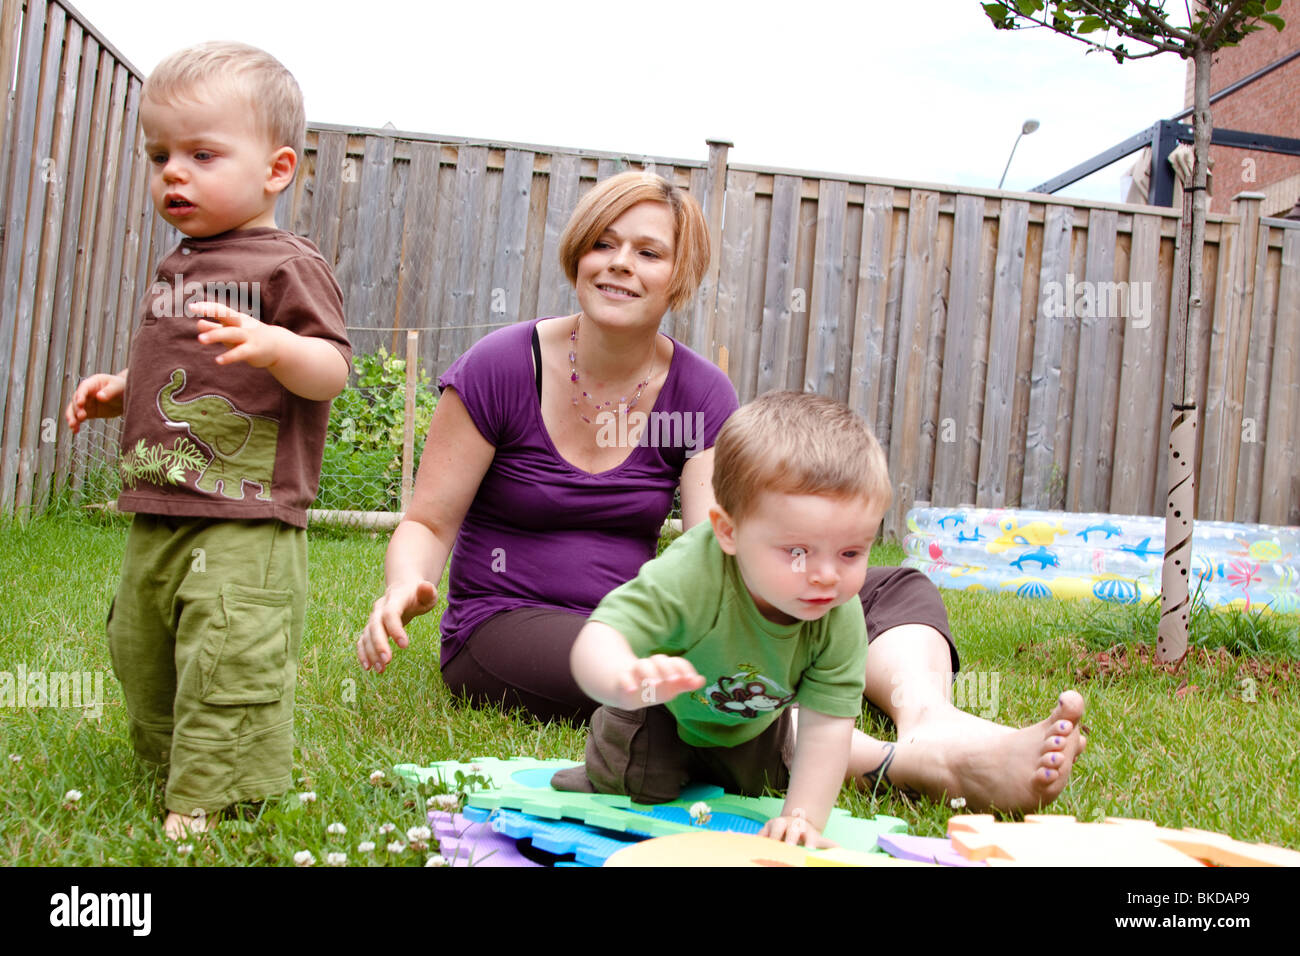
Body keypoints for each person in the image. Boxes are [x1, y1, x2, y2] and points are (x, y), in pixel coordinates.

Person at [357, 171, 1085, 813]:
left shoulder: (699, 390)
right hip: (515, 621)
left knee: (889, 587)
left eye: (648, 252)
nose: (619, 264)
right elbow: (426, 521)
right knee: (694, 680)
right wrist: (404, 586)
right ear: (577, 252)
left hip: (665, 612)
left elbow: (725, 536)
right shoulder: (502, 367)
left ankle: (931, 717)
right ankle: (908, 764)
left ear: (679, 277)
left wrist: (784, 604)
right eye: (603, 243)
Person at [65, 42, 351, 839]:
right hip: (162, 498)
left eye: (201, 153)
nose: (172, 174)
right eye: (159, 155)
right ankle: (169, 761)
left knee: (230, 648)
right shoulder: (176, 262)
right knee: (142, 638)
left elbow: (330, 369)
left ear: (276, 169)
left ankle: (212, 797)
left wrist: (277, 348)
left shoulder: (289, 264)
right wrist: (124, 389)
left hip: (246, 510)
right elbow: (180, 366)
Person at [554, 391, 890, 846]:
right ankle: (595, 776)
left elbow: (828, 724)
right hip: (660, 712)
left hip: (751, 727)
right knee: (637, 790)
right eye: (797, 552)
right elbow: (600, 636)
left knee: (758, 801)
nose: (827, 577)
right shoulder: (692, 576)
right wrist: (623, 677)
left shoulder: (837, 617)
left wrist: (804, 819)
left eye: (851, 553)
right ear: (729, 532)